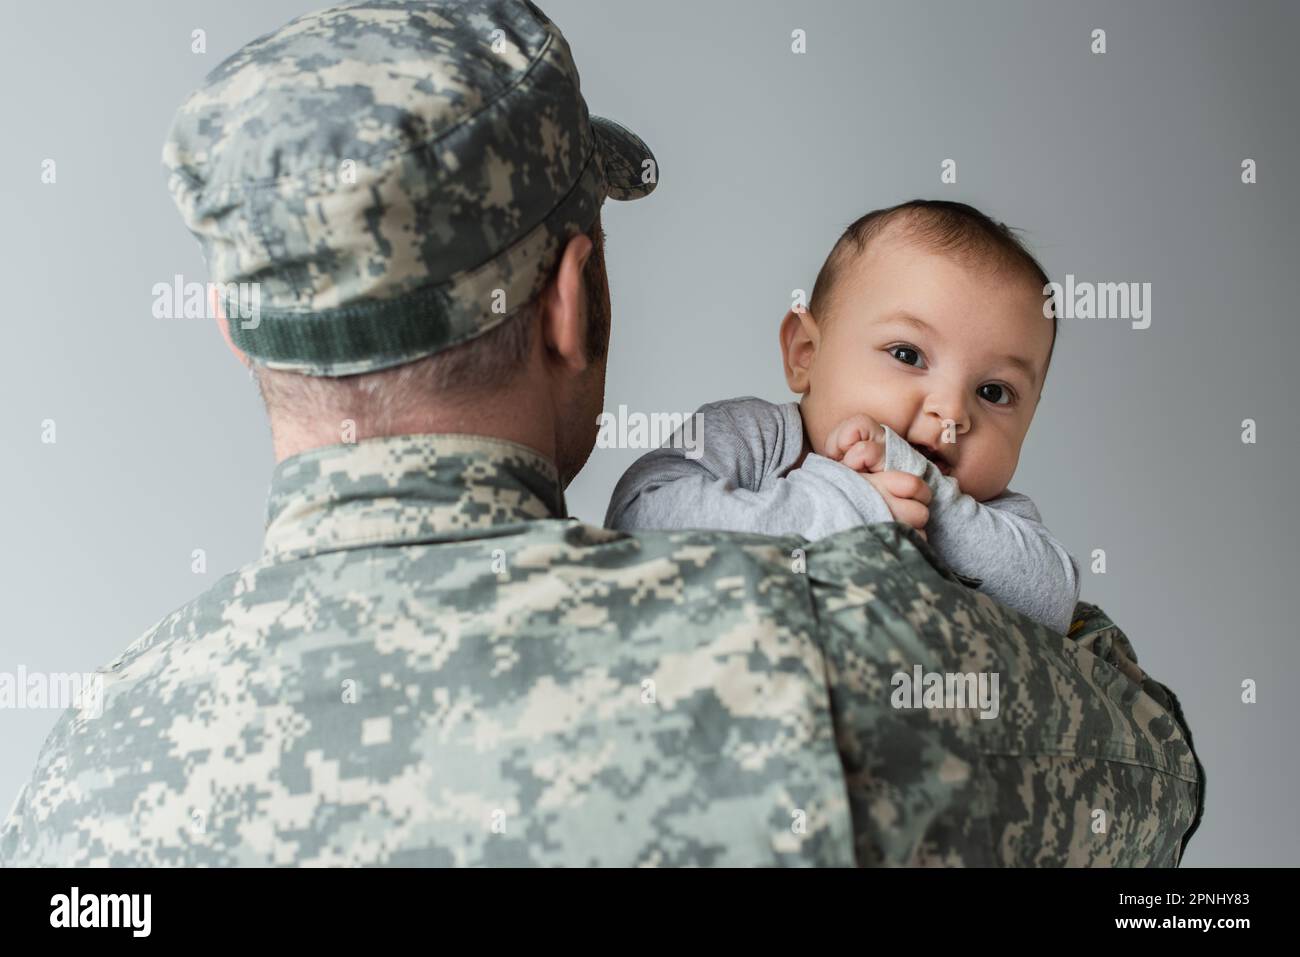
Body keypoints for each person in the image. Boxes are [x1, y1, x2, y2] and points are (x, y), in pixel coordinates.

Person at [0, 0, 1202, 866]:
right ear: (577, 298)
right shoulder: (830, 644)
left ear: (234, 329)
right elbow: (1152, 774)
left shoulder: (85, 762)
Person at [606, 200, 1079, 634]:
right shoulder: (752, 438)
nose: (952, 412)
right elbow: (639, 517)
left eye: (993, 392)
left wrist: (932, 499)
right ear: (806, 353)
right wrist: (852, 505)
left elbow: (1052, 602)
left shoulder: (988, 515)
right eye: (908, 355)